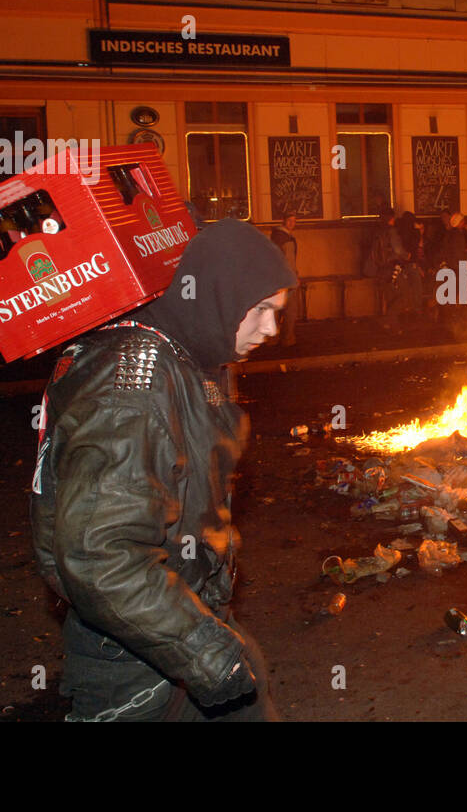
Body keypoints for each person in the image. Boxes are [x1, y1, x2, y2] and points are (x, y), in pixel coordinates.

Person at [30, 219, 297, 721]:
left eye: (277, 312)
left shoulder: (186, 352)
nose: (271, 329)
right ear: (219, 294)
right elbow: (98, 555)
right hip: (136, 666)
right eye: (260, 310)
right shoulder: (132, 388)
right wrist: (203, 650)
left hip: (182, 621)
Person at [267, 211, 299, 347]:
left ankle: (272, 339)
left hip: (274, 279)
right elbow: (290, 262)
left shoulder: (274, 237)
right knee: (290, 309)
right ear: (284, 221)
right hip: (287, 279)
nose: (292, 223)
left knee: (274, 309)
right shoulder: (287, 240)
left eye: (294, 220)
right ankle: (288, 339)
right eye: (290, 220)